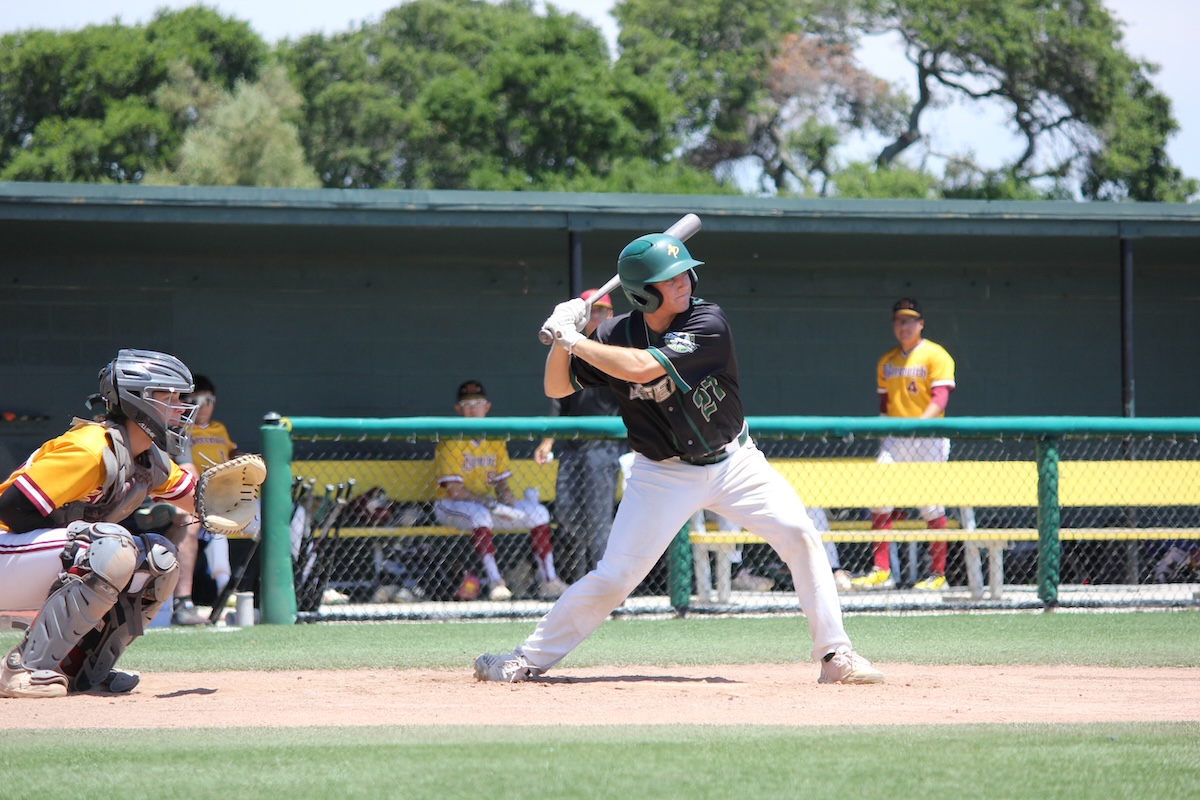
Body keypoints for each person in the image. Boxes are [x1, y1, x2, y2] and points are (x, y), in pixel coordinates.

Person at [474, 231, 882, 685]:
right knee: (616, 576)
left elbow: (643, 367)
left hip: (735, 464)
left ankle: (835, 655)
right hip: (661, 474)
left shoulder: (708, 321)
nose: (684, 281)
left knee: (800, 534)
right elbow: (557, 385)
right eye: (670, 278)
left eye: (685, 272)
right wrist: (562, 337)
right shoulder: (614, 333)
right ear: (643, 293)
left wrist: (575, 339)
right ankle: (524, 659)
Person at [0, 349, 198, 698]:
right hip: (6, 549)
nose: (181, 408)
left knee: (159, 560)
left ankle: (76, 669)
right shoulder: (91, 448)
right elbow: (11, 508)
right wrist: (79, 540)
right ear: (140, 401)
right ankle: (23, 668)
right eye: (171, 398)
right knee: (110, 546)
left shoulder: (145, 457)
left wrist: (231, 498)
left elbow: (196, 500)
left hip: (25, 559)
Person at [850, 298, 957, 591]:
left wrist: (918, 423)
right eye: (899, 320)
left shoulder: (936, 355)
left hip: (928, 437)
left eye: (910, 320)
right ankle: (881, 570)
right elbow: (884, 403)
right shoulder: (887, 360)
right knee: (878, 497)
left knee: (930, 505)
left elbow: (940, 399)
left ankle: (938, 574)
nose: (904, 325)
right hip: (896, 438)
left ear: (921, 324)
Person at [434, 380, 568, 601]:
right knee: (480, 515)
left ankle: (549, 581)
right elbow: (455, 492)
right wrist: (490, 503)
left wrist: (506, 498)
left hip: (486, 506)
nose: (473, 409)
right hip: (449, 507)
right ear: (458, 409)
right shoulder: (452, 439)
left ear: (487, 407)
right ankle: (496, 582)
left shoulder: (494, 437)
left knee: (539, 513)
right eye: (467, 405)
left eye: (478, 403)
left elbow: (501, 483)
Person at [533, 289, 623, 580]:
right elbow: (558, 400)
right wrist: (548, 441)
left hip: (603, 447)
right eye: (591, 311)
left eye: (601, 311)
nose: (596, 316)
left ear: (610, 315)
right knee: (567, 513)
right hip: (572, 446)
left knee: (598, 520)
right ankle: (591, 576)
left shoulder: (617, 349)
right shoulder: (570, 350)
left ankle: (605, 585)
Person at [166, 374, 246, 623]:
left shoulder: (219, 429)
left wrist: (243, 458)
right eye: (195, 401)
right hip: (197, 497)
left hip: (227, 495)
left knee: (276, 516)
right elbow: (186, 470)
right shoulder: (179, 429)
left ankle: (298, 582)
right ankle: (224, 588)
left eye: (208, 400)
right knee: (213, 524)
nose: (203, 407)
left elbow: (234, 451)